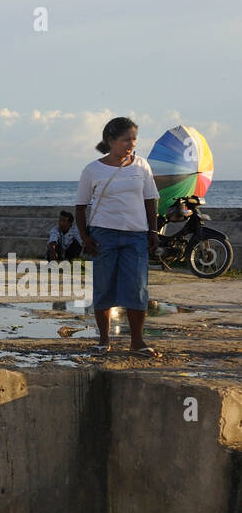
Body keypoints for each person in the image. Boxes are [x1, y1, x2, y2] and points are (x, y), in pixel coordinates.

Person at [75, 116, 162, 356]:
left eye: (134, 139)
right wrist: (85, 237)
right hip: (104, 236)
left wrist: (153, 231)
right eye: (126, 139)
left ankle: (137, 342)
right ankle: (103, 340)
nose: (131, 144)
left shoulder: (142, 166)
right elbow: (80, 207)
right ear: (110, 140)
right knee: (104, 289)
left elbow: (150, 200)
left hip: (136, 236)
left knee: (137, 289)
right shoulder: (92, 169)